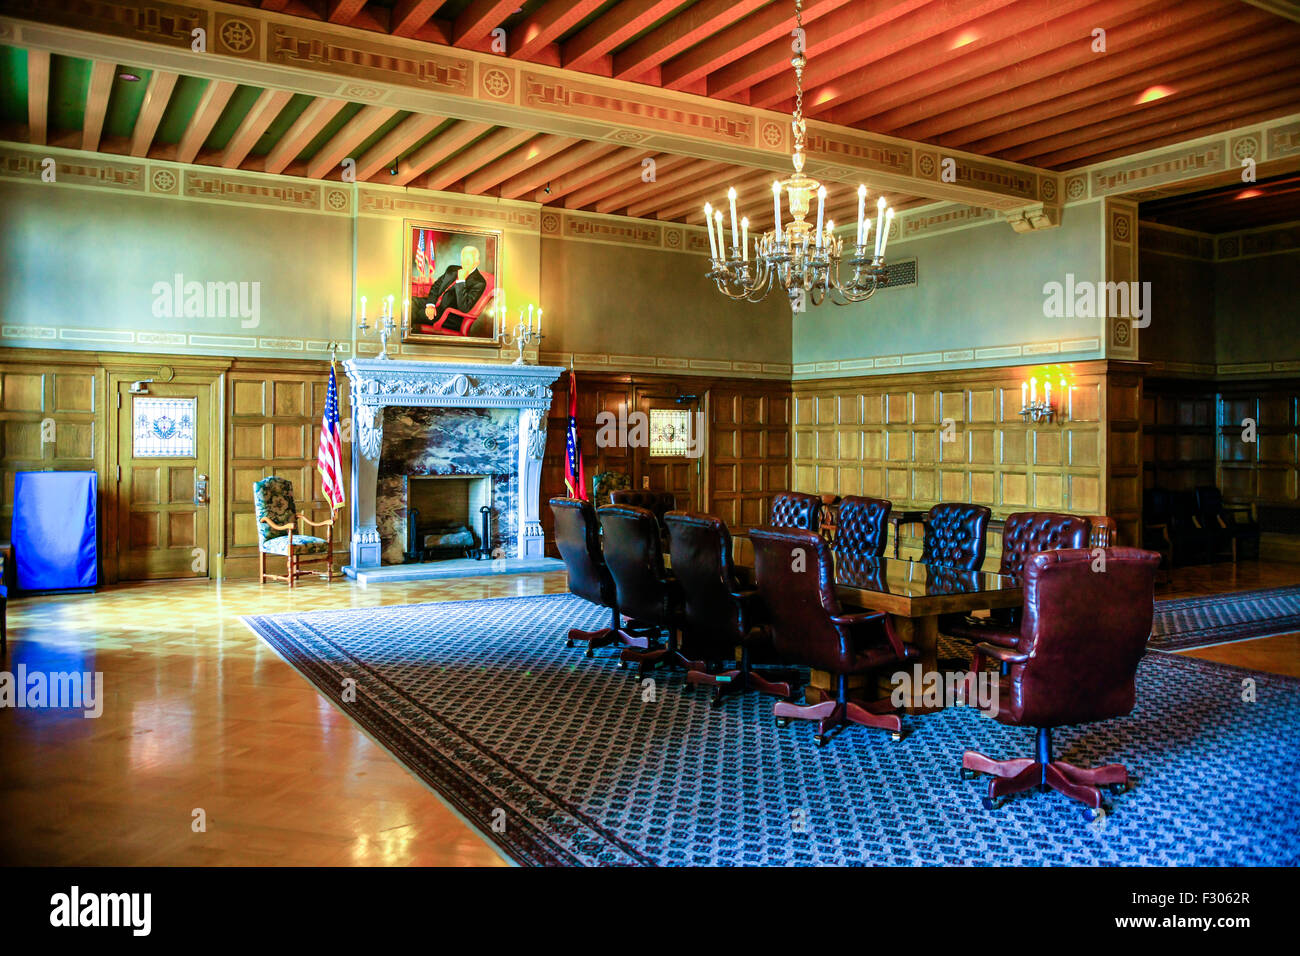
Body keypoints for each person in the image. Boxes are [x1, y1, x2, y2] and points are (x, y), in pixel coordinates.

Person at [423, 245, 486, 334]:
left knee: (411, 314)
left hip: (447, 316)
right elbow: (436, 286)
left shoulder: (479, 282)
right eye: (464, 258)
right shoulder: (452, 269)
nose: (466, 262)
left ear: (477, 262)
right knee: (412, 303)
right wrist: (430, 304)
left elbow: (464, 308)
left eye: (470, 259)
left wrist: (461, 281)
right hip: (433, 305)